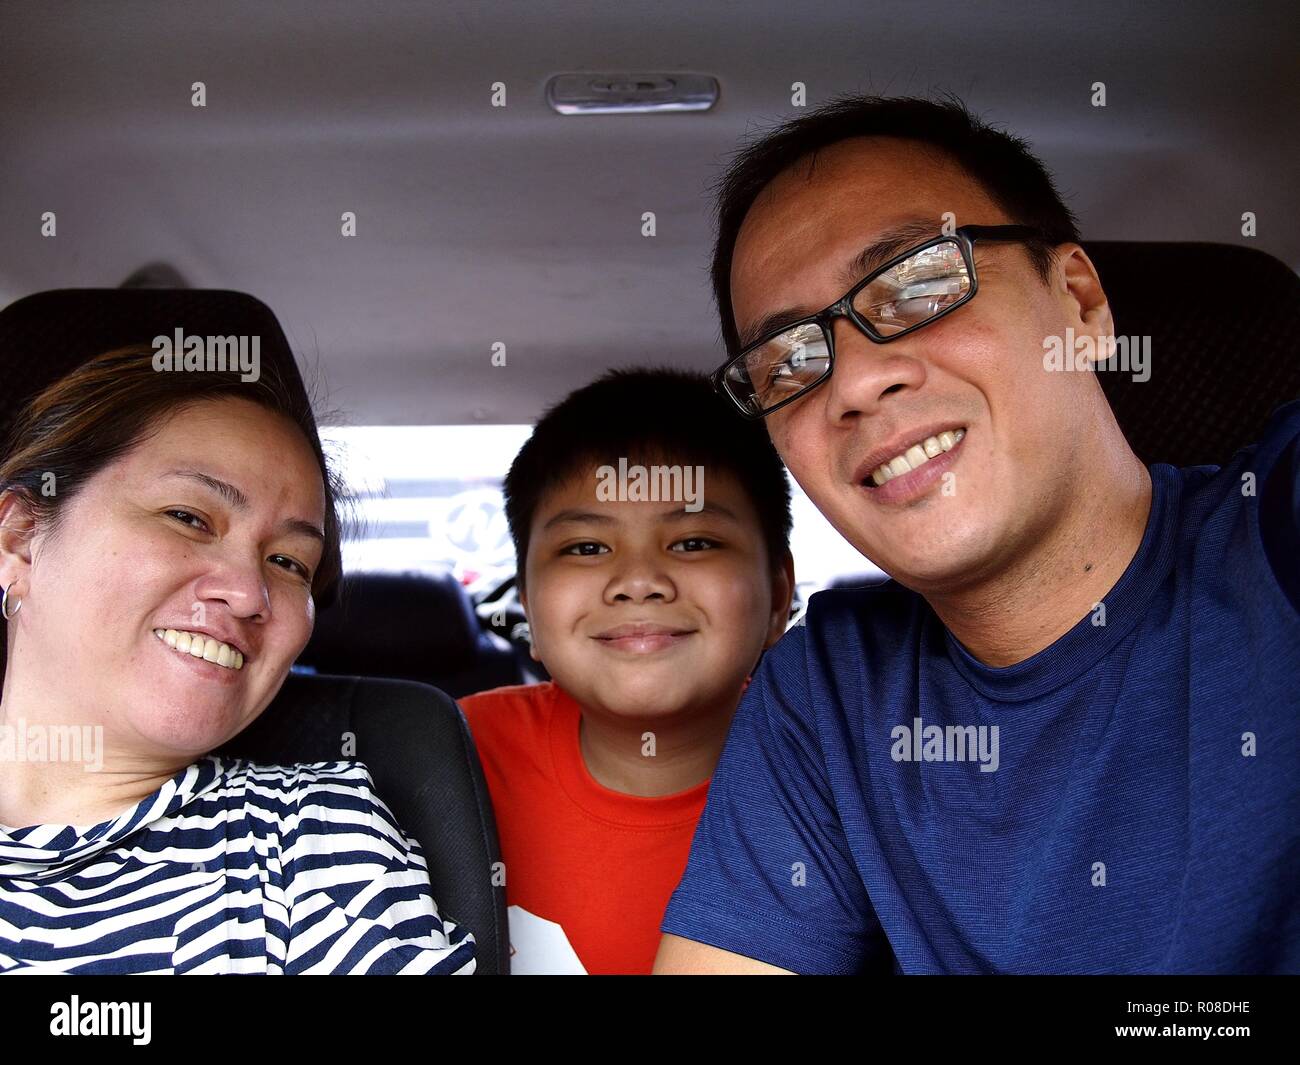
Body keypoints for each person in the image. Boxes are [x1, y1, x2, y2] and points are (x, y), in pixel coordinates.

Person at [655, 94, 1300, 974]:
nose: (853, 384)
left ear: (1078, 303)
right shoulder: (829, 692)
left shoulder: (1275, 533)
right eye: (789, 361)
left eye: (916, 284)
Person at [0, 345, 475, 974]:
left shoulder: (311, 848)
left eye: (288, 563)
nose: (250, 593)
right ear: (21, 541)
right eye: (189, 517)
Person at [459, 367, 794, 973]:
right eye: (586, 548)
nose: (639, 581)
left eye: (694, 542)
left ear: (777, 594)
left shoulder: (836, 781)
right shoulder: (447, 755)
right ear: (529, 607)